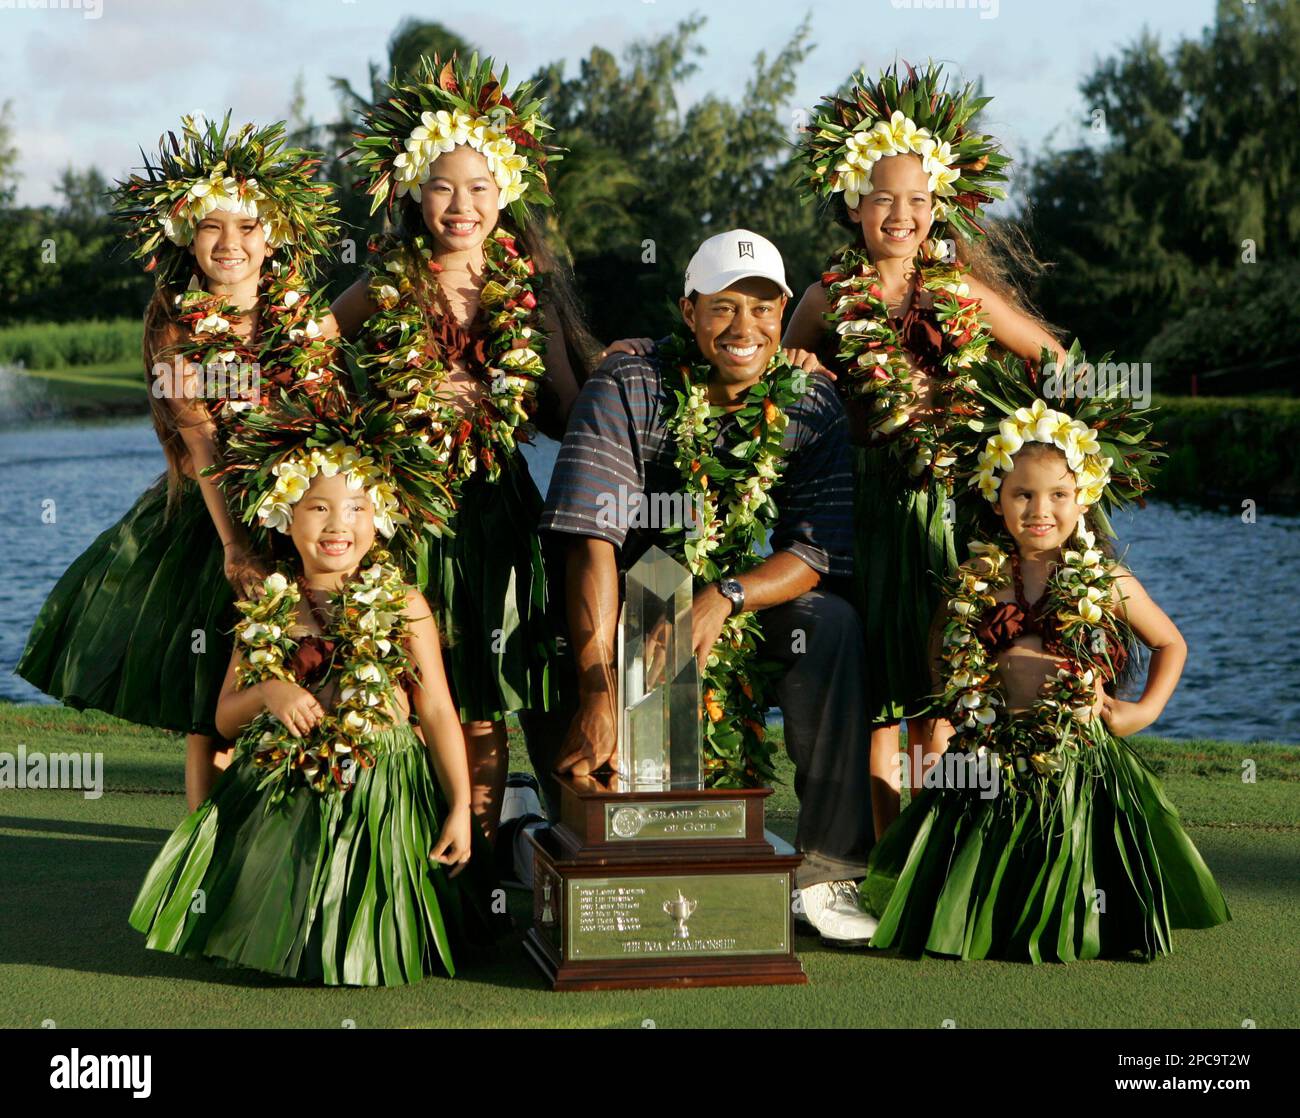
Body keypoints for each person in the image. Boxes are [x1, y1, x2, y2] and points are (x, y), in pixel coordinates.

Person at [535, 229, 878, 945]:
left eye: (761, 308)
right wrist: (598, 690)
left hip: (737, 600)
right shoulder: (630, 382)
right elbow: (590, 541)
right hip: (634, 605)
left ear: (785, 314)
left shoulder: (811, 401)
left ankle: (827, 871)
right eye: (723, 307)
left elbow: (815, 551)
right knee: (658, 599)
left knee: (832, 622)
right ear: (687, 310)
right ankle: (582, 829)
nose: (743, 327)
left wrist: (725, 596)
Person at [859, 345, 1231, 961]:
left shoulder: (1105, 579)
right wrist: (956, 714)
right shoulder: (976, 579)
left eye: (1058, 495)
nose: (1040, 511)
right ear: (996, 499)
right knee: (964, 902)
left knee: (1078, 884)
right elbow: (941, 655)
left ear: (1083, 499)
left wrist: (1139, 712)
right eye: (1023, 496)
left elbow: (1170, 642)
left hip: (1077, 762)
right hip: (989, 759)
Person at [17, 114, 341, 810]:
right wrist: (235, 550)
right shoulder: (175, 322)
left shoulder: (303, 318)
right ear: (186, 235)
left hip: (302, 522)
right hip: (211, 521)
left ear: (275, 234)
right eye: (212, 226)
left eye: (248, 227)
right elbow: (204, 445)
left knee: (312, 672)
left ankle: (299, 822)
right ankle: (204, 841)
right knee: (211, 695)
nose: (231, 243)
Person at [784, 62, 1068, 838]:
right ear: (854, 204)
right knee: (877, 693)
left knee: (938, 690)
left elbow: (1051, 359)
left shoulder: (962, 293)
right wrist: (804, 376)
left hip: (943, 512)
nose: (900, 214)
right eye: (883, 198)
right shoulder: (822, 299)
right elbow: (774, 389)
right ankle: (880, 857)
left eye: (916, 200)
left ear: (937, 205)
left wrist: (1027, 434)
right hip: (858, 506)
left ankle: (932, 855)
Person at [129, 403, 503, 986]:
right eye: (319, 507)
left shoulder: (406, 605)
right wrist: (271, 692)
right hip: (290, 789)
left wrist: (459, 805)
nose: (338, 524)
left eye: (357, 508)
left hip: (386, 788)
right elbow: (225, 720)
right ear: (285, 516)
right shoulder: (266, 608)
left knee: (390, 910)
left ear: (379, 520)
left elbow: (436, 711)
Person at [327, 53, 601, 846]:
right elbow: (310, 354)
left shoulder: (527, 288)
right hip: (407, 511)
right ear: (414, 190)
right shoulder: (386, 283)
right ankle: (411, 851)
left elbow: (564, 411)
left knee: (487, 693)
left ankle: (482, 861)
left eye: (479, 188)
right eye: (443, 186)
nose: (461, 204)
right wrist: (375, 417)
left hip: (497, 513)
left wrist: (625, 388)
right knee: (415, 687)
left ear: (505, 193)